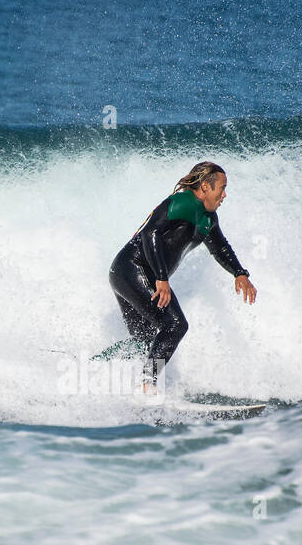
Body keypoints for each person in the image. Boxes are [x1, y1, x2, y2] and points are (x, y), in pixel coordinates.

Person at [108, 161, 257, 395]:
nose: (225, 194)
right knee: (175, 325)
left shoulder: (208, 217)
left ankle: (104, 369)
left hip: (124, 273)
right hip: (132, 268)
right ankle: (147, 384)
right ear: (205, 187)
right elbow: (151, 233)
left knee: (144, 340)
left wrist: (240, 273)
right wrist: (161, 278)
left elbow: (220, 248)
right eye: (222, 187)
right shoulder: (184, 202)